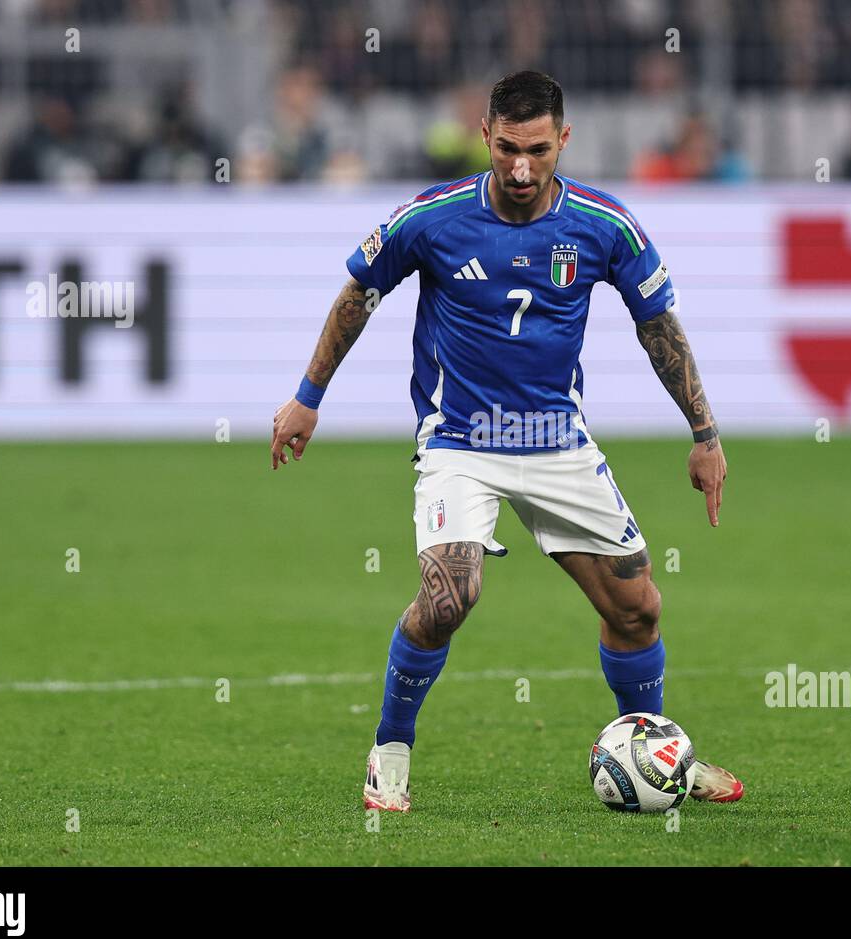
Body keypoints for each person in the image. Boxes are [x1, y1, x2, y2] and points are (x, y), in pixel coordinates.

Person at [270, 70, 743, 812]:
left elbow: (659, 329)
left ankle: (652, 748)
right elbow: (358, 294)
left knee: (638, 610)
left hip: (557, 441)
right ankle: (390, 751)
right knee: (450, 595)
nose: (522, 169)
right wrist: (307, 396)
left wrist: (705, 431)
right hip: (460, 441)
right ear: (486, 137)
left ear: (564, 140)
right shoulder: (433, 218)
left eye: (539, 150)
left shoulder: (603, 224)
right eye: (508, 150)